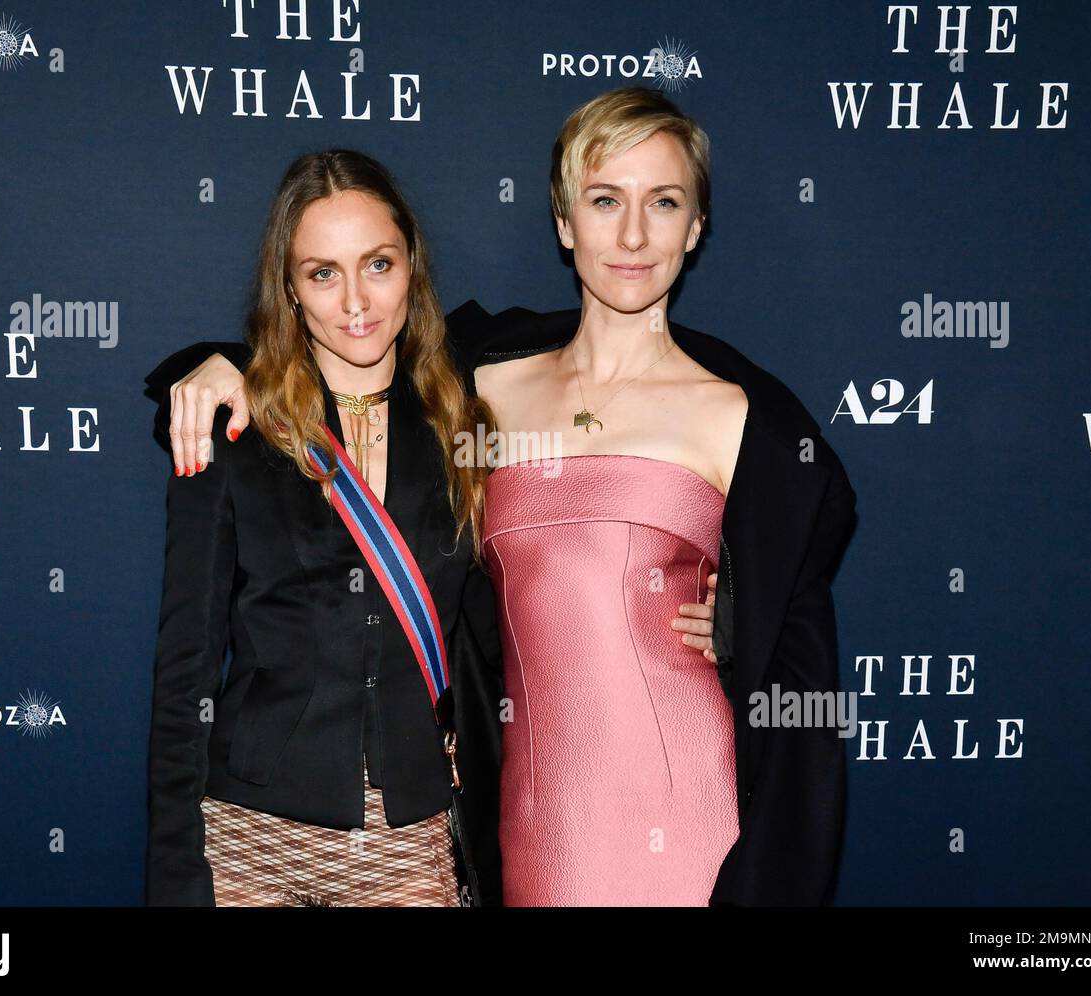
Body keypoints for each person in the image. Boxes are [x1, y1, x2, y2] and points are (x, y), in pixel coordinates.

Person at [153, 87, 858, 906]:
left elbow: (802, 610)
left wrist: (743, 612)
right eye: (604, 201)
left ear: (696, 227)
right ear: (564, 222)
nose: (632, 235)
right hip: (534, 815)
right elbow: (345, 337)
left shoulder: (745, 415)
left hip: (685, 805)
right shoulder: (480, 379)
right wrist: (213, 363)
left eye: (662, 203)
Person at [145, 148, 506, 906]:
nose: (355, 302)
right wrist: (177, 877)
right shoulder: (231, 427)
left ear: (413, 264)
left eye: (378, 264)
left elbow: (611, 323)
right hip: (246, 838)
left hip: (408, 843)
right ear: (290, 287)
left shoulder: (465, 425)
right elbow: (185, 674)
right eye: (322, 273)